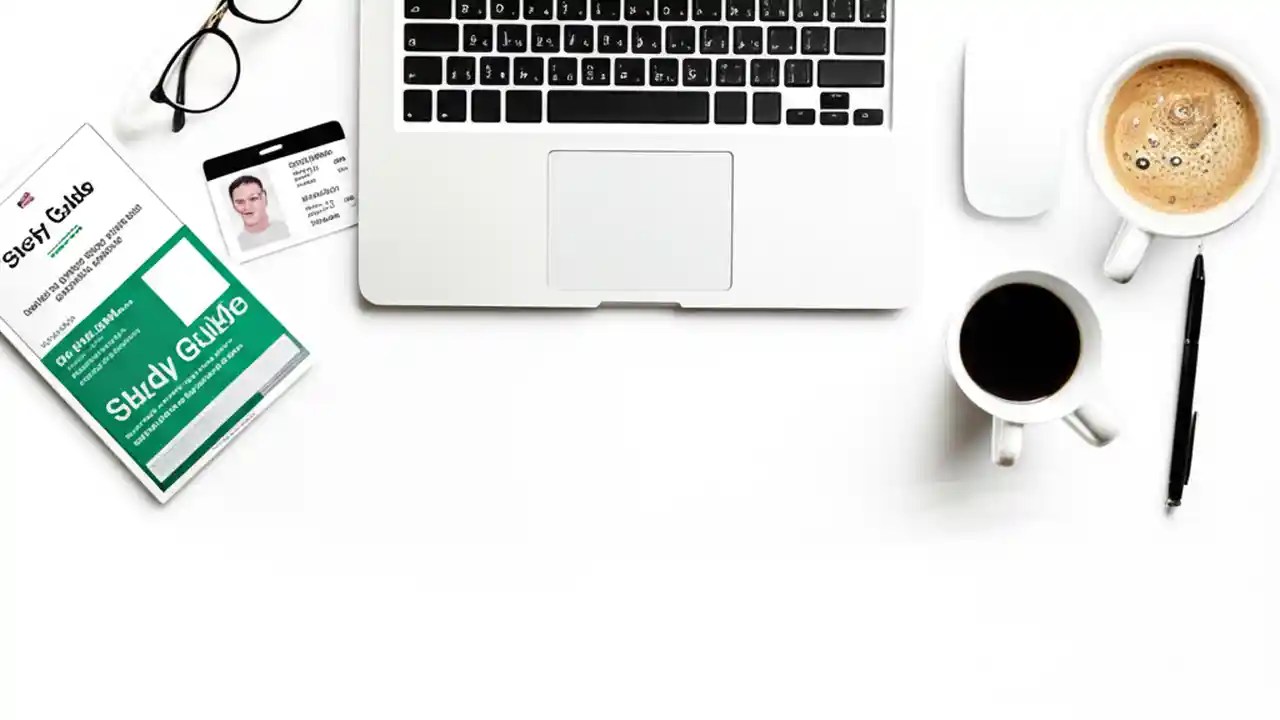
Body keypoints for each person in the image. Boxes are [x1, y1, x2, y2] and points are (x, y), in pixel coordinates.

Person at [229, 175, 291, 251]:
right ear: (234, 205)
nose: (247, 207)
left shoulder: (287, 229)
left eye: (253, 199)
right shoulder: (235, 245)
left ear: (264, 198)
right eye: (240, 202)